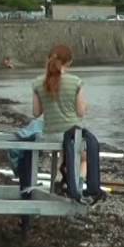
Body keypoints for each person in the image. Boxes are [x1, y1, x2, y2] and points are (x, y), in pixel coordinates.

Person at [32, 44, 103, 202]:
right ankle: (77, 183)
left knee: (64, 151)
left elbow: (36, 113)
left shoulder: (38, 83)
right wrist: (85, 106)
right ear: (69, 62)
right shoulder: (76, 82)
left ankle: (59, 179)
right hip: (71, 135)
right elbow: (80, 112)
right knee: (84, 157)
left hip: (50, 134)